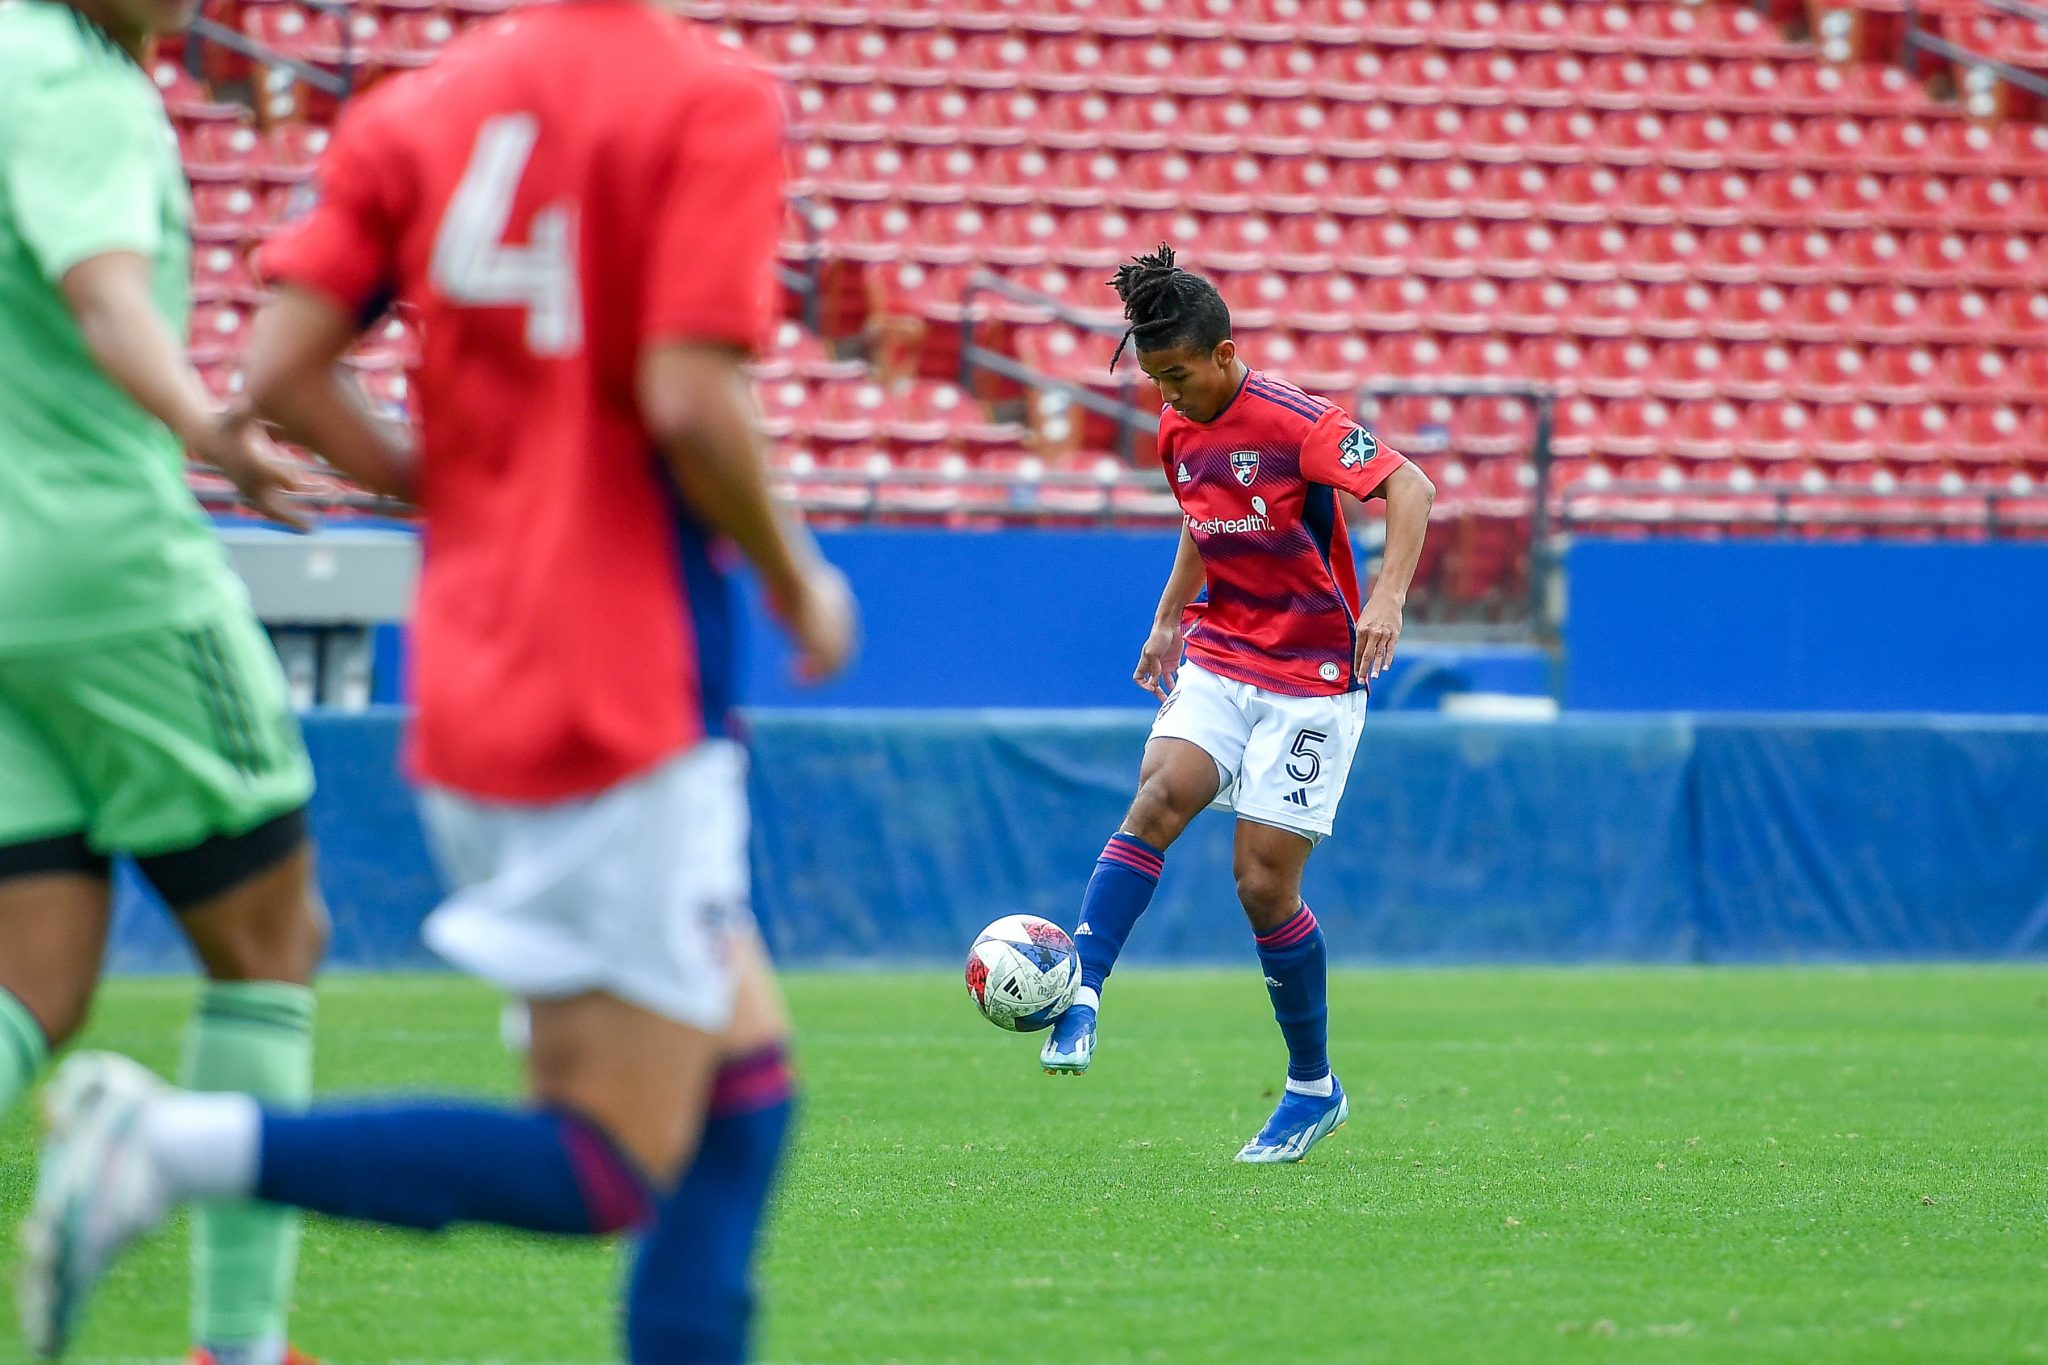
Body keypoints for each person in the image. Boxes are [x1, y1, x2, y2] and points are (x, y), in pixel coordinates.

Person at [18, 1, 856, 1360]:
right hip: (624, 691)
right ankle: (170, 1145)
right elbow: (692, 399)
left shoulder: (418, 105)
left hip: (479, 671)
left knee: (744, 1100)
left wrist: (461, 491)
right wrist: (796, 573)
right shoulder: (706, 100)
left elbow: (280, 374)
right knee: (611, 1160)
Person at [0, 1, 332, 1360]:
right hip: (107, 567)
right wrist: (209, 427)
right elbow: (102, 291)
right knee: (271, 940)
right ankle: (239, 1345)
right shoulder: (77, 83)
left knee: (36, 976)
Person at [1039, 245, 1436, 1165]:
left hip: (1312, 678)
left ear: (1224, 354)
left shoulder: (1300, 422)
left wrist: (1388, 597)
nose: (1166, 396)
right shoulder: (1180, 429)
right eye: (1154, 380)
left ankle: (1311, 1087)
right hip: (1225, 652)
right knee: (1158, 795)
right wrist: (1171, 614)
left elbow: (1410, 486)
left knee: (1261, 883)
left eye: (1178, 374)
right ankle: (1083, 991)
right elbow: (1203, 515)